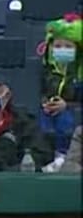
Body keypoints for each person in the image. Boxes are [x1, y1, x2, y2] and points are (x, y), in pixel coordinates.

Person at [37, 14, 81, 173]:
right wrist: (44, 102)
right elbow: (38, 91)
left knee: (66, 117)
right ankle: (47, 158)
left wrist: (66, 105)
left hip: (73, 115)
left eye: (69, 47)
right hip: (49, 113)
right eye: (58, 46)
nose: (63, 50)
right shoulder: (45, 70)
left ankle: (64, 156)